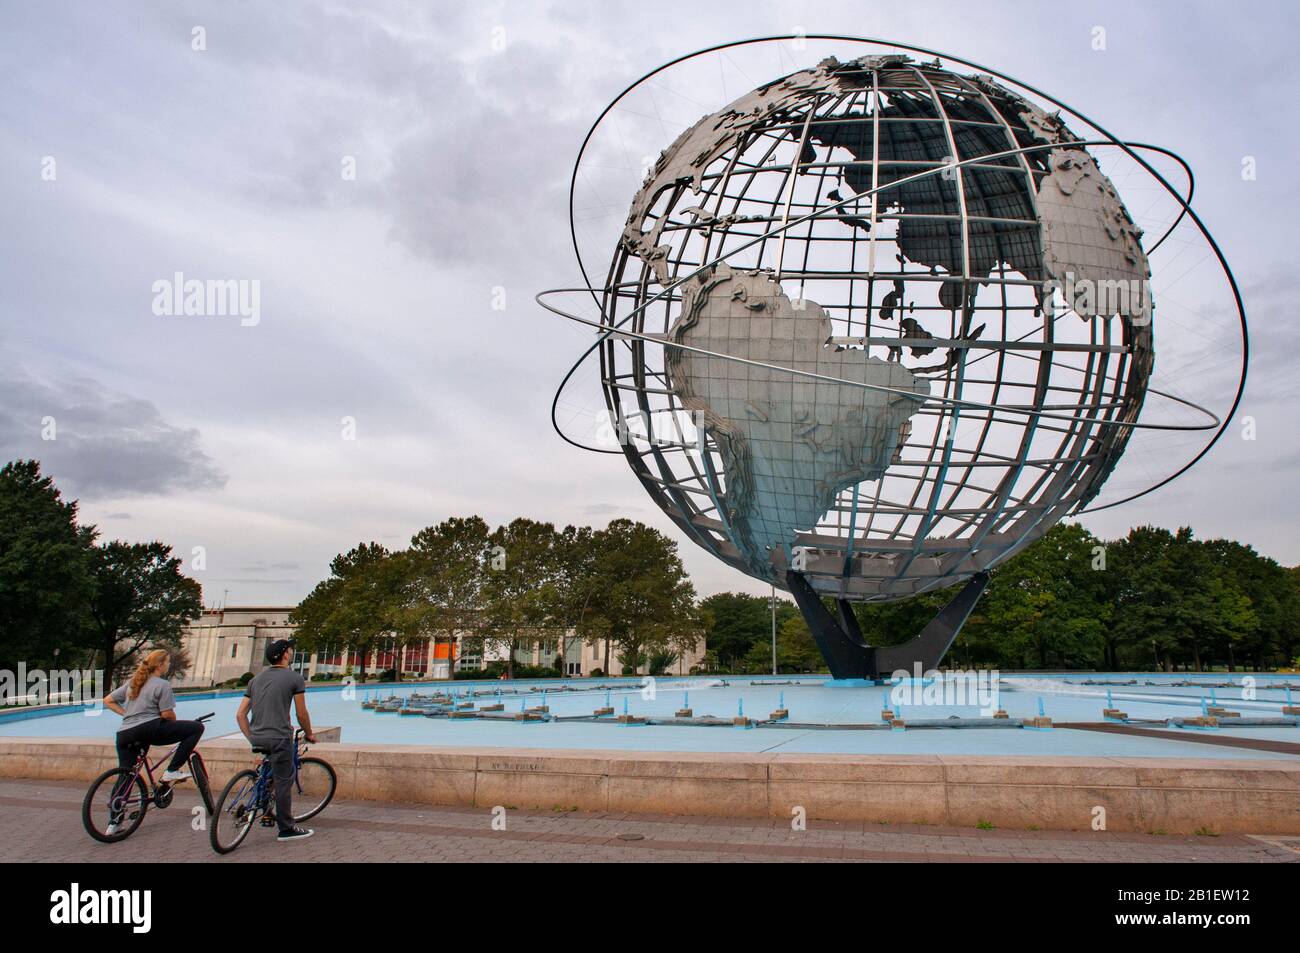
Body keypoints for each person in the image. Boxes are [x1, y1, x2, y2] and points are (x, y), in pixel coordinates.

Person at [235, 638, 317, 842]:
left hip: (258, 736)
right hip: (279, 737)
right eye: (290, 650)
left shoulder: (254, 680)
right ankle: (286, 828)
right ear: (285, 655)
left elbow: (240, 715)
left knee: (268, 774)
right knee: (283, 781)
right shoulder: (294, 678)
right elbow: (301, 713)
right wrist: (309, 733)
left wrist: (251, 738)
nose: (291, 652)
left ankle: (265, 811)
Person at [103, 648, 205, 783]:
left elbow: (108, 700)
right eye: (167, 662)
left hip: (124, 733)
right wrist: (174, 723)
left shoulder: (133, 683)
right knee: (196, 728)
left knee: (126, 775)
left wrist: (127, 714)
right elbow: (167, 715)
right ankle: (172, 771)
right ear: (160, 665)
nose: (168, 665)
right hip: (148, 730)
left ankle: (117, 802)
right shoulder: (163, 685)